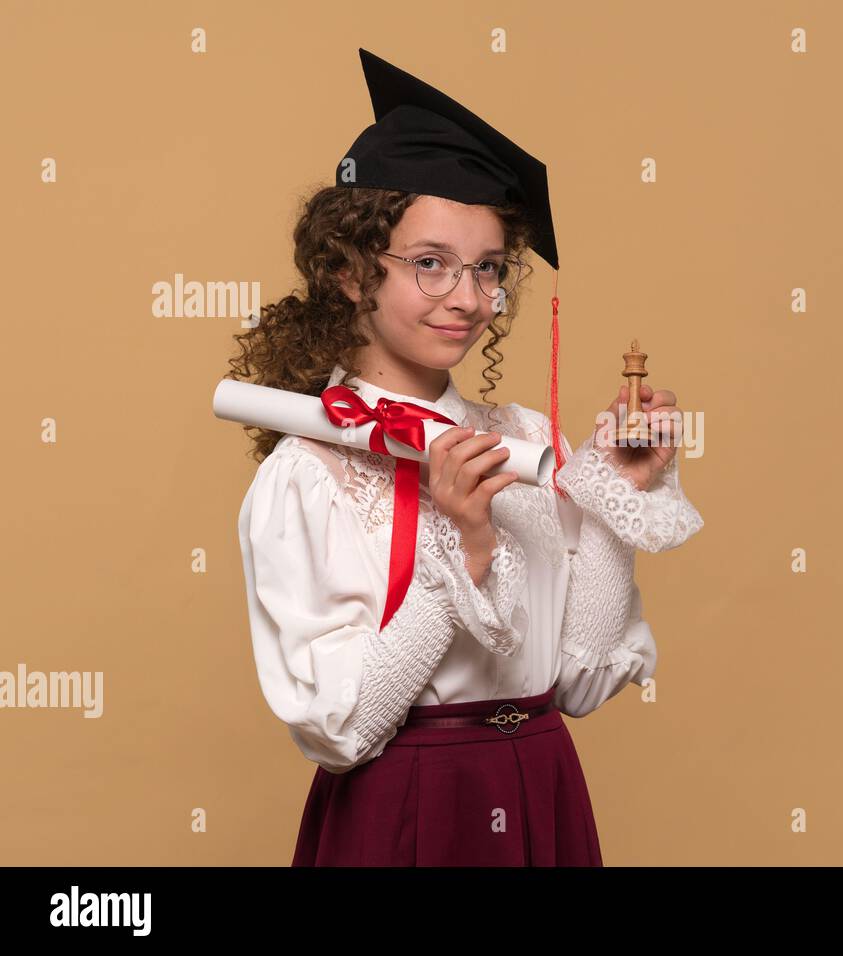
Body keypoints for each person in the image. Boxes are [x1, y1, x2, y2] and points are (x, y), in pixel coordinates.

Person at [228, 49, 703, 866]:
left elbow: (580, 685)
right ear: (347, 270)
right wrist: (465, 548)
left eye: (488, 269)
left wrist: (612, 499)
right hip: (405, 805)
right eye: (430, 264)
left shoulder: (525, 444)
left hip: (542, 782)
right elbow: (344, 731)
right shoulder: (310, 475)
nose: (467, 298)